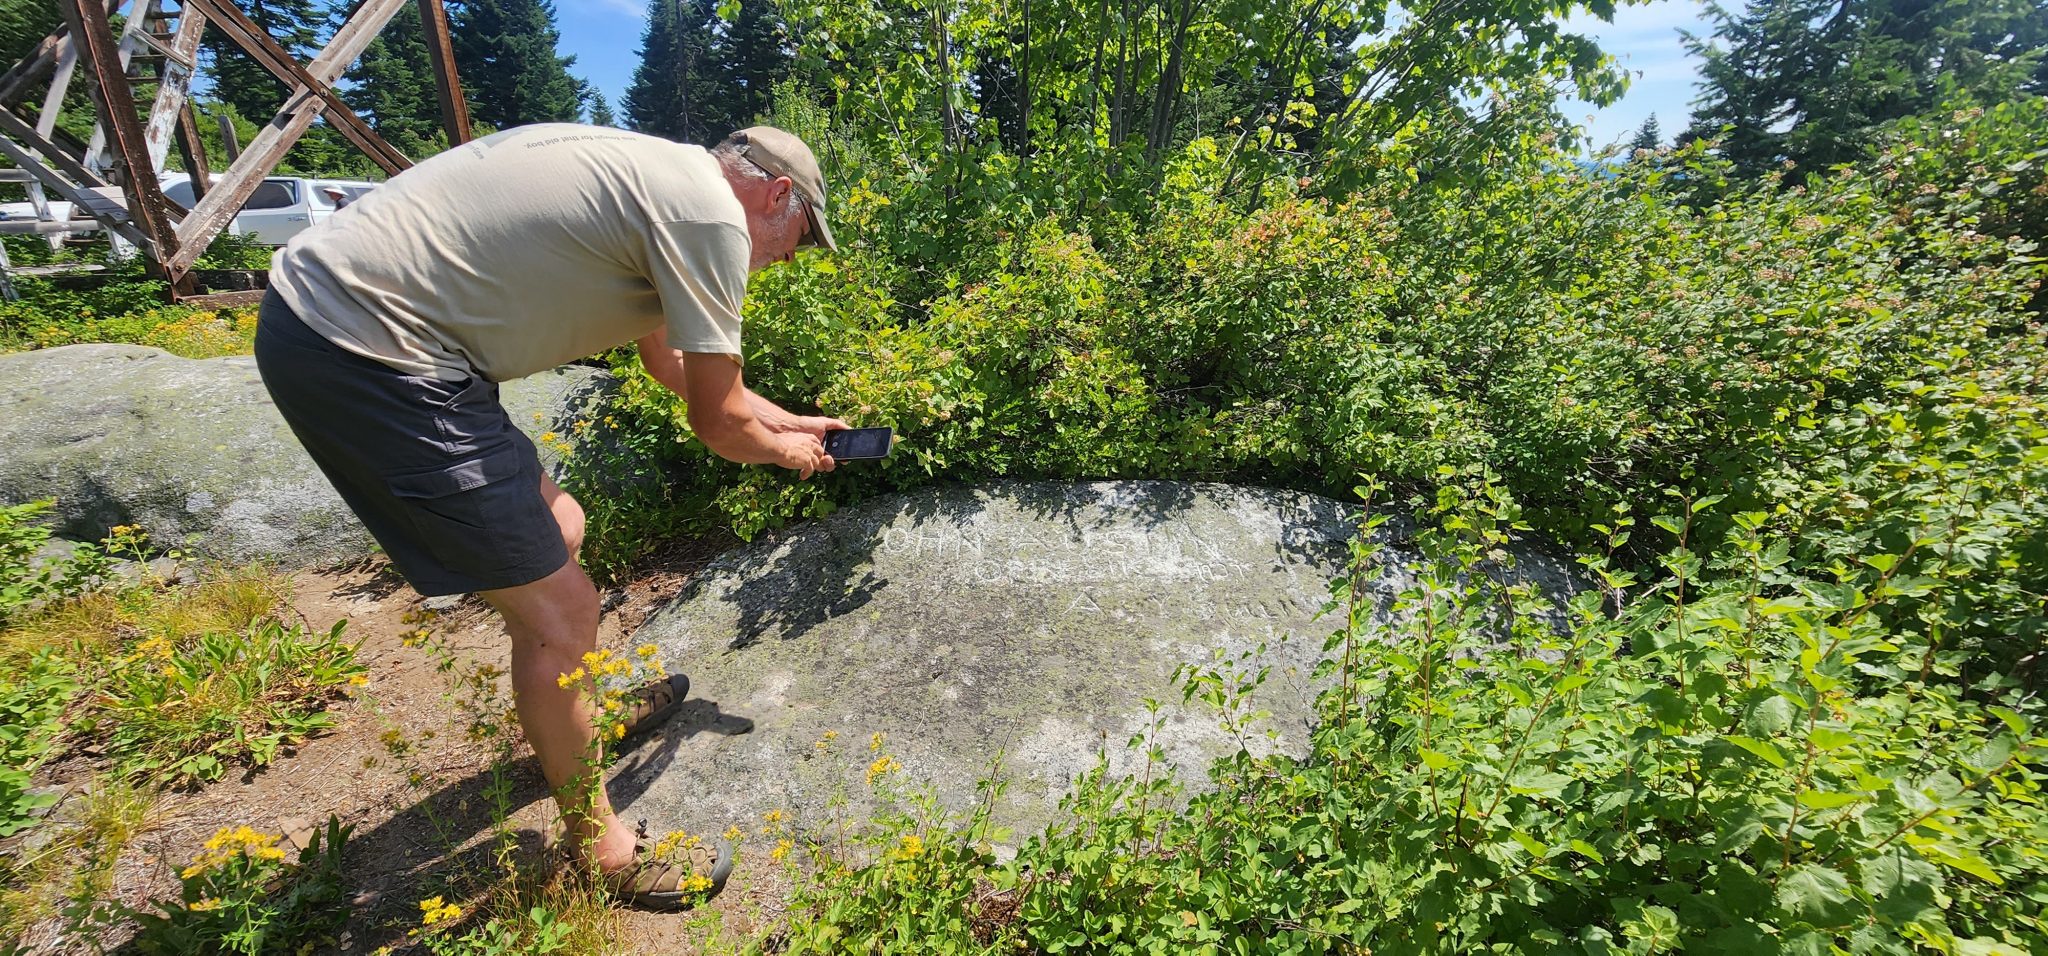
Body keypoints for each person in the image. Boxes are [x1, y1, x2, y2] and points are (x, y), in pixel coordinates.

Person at [252, 124, 845, 911]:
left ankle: (577, 715)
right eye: (798, 240)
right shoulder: (710, 219)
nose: (788, 259)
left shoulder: (663, 182)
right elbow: (718, 424)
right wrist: (785, 452)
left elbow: (668, 361)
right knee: (562, 611)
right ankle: (603, 853)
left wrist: (790, 422)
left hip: (386, 335)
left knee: (560, 527)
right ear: (777, 194)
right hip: (368, 350)